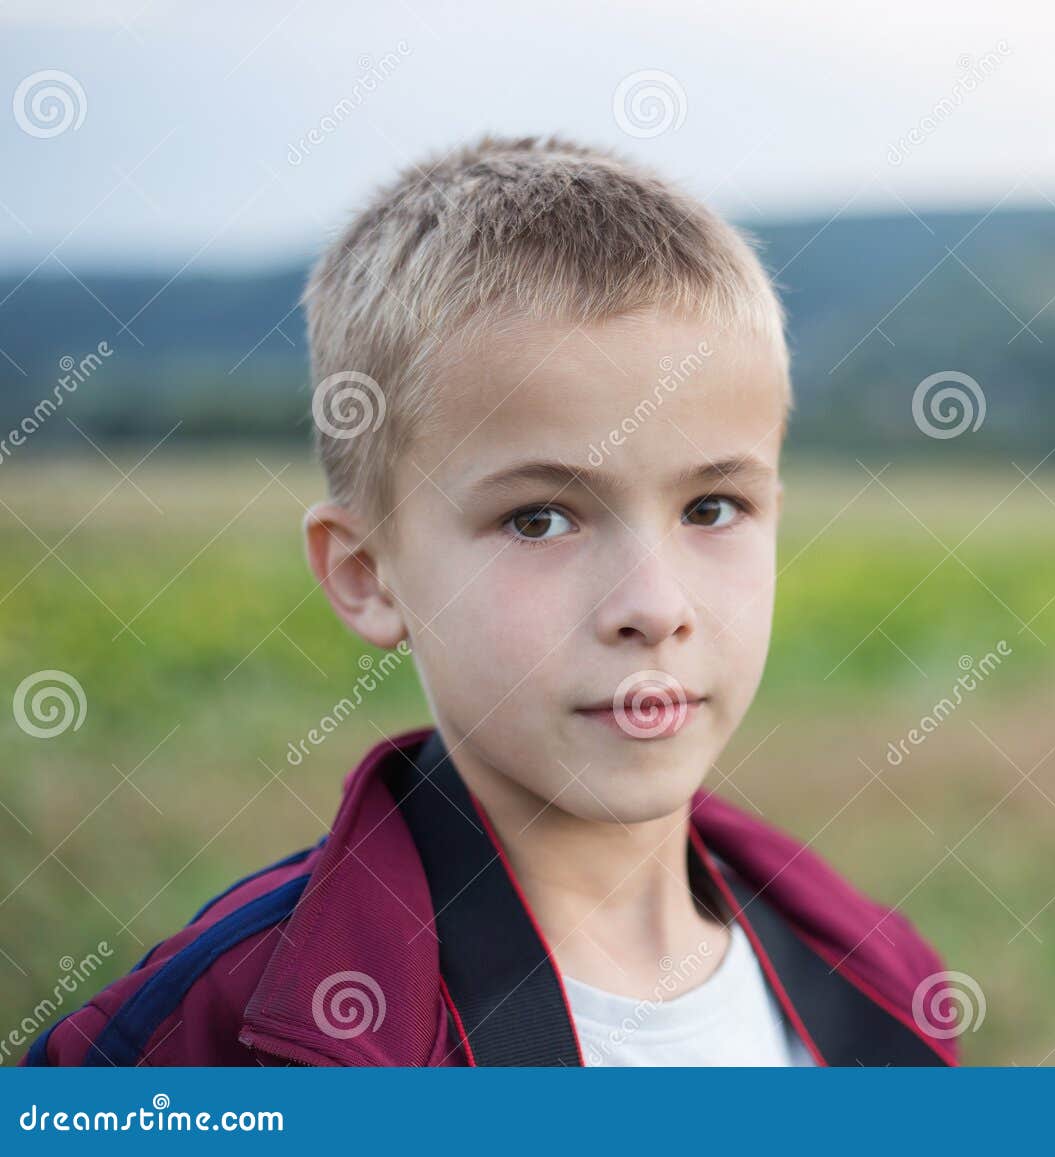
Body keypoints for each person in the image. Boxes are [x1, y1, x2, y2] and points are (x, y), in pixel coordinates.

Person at [24, 134, 956, 1067]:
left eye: (713, 507)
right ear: (366, 574)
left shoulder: (877, 975)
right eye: (541, 519)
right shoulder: (215, 1040)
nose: (654, 605)